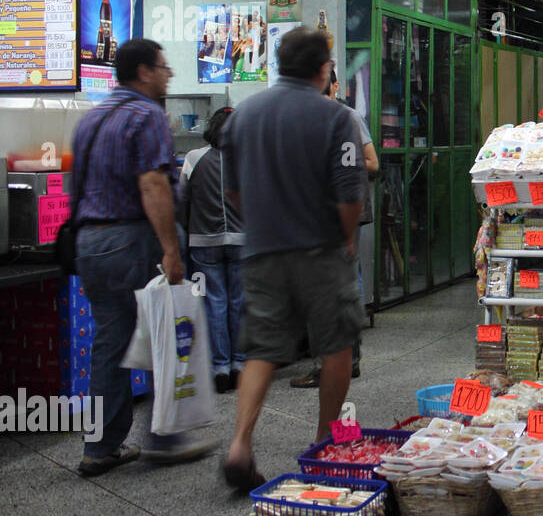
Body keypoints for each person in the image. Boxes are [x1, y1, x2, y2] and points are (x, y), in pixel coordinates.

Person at [220, 28, 366, 490]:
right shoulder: (336, 117)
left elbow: (232, 190)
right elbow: (349, 193)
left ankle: (240, 442)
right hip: (320, 250)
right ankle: (325, 440)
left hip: (262, 251)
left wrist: (264, 224)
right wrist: (346, 238)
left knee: (262, 349)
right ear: (324, 70)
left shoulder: (241, 117)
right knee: (335, 343)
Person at [72, 39, 213, 476]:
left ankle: (100, 447)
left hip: (90, 242)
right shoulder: (146, 115)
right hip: (131, 239)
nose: (168, 75)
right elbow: (153, 185)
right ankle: (165, 438)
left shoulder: (91, 118)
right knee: (165, 332)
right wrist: (171, 250)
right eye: (164, 68)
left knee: (109, 342)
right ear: (143, 72)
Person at [292, 68, 378, 388]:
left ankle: (335, 363)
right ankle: (341, 361)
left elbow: (372, 163)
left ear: (335, 85)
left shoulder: (348, 117)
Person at [179, 107, 245, 394]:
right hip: (243, 242)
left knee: (214, 304)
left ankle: (220, 367)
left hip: (203, 243)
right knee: (239, 303)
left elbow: (181, 202)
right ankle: (240, 364)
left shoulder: (194, 158)